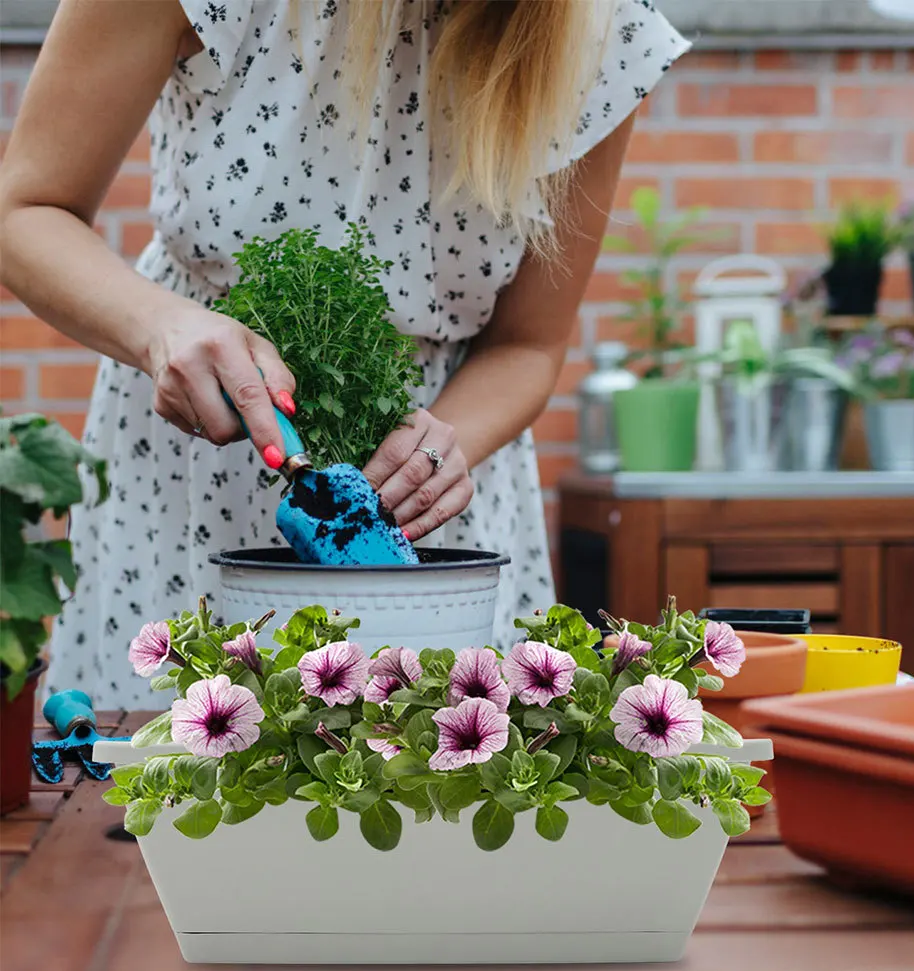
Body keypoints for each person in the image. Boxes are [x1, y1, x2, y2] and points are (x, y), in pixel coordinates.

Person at [0, 0, 688, 709]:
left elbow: (529, 344)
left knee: (427, 787)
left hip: (427, 520)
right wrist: (161, 327)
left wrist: (438, 454)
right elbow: (24, 212)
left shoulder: (598, 32)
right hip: (192, 478)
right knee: (158, 785)